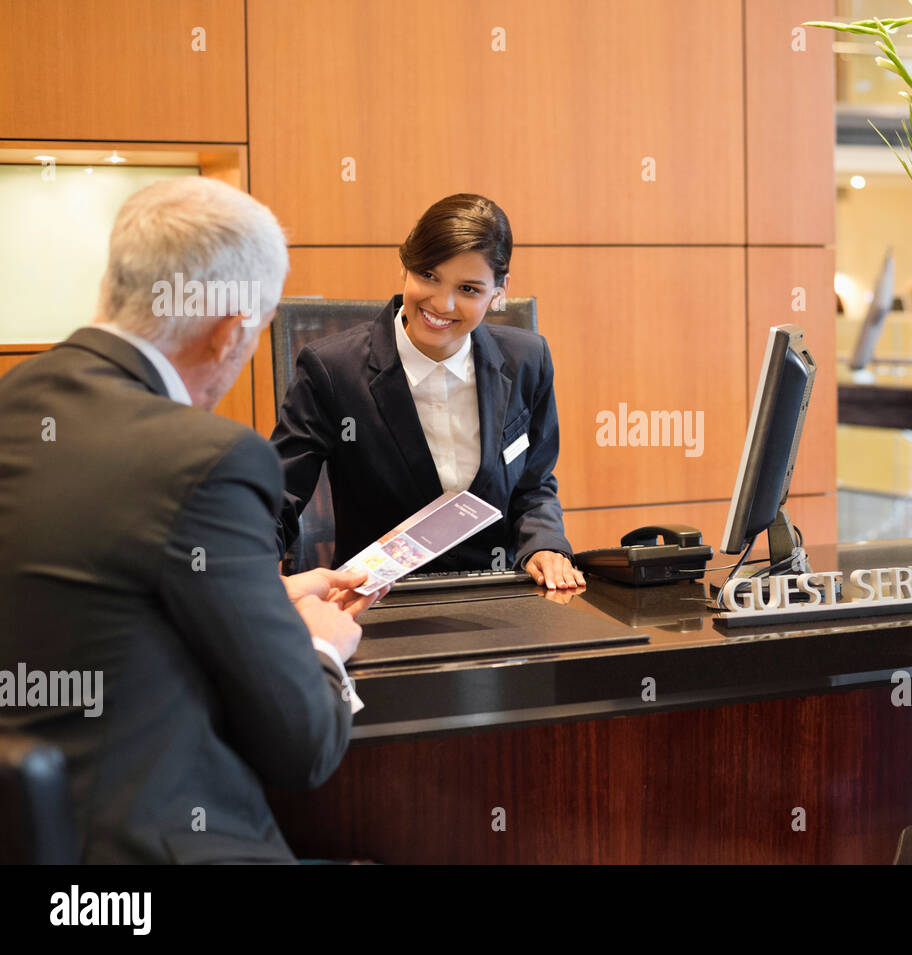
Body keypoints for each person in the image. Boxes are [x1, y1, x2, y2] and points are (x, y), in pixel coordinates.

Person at [0, 177, 380, 864]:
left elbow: (87, 597)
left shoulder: (18, 402)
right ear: (231, 332)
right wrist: (320, 645)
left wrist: (259, 598)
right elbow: (304, 747)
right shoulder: (207, 458)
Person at [272, 194, 583, 589]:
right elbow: (277, 498)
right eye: (429, 276)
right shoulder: (332, 369)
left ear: (500, 290)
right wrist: (251, 584)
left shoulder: (527, 359)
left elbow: (533, 484)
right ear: (405, 266)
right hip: (378, 601)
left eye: (469, 289)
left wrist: (544, 546)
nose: (442, 302)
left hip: (498, 595)